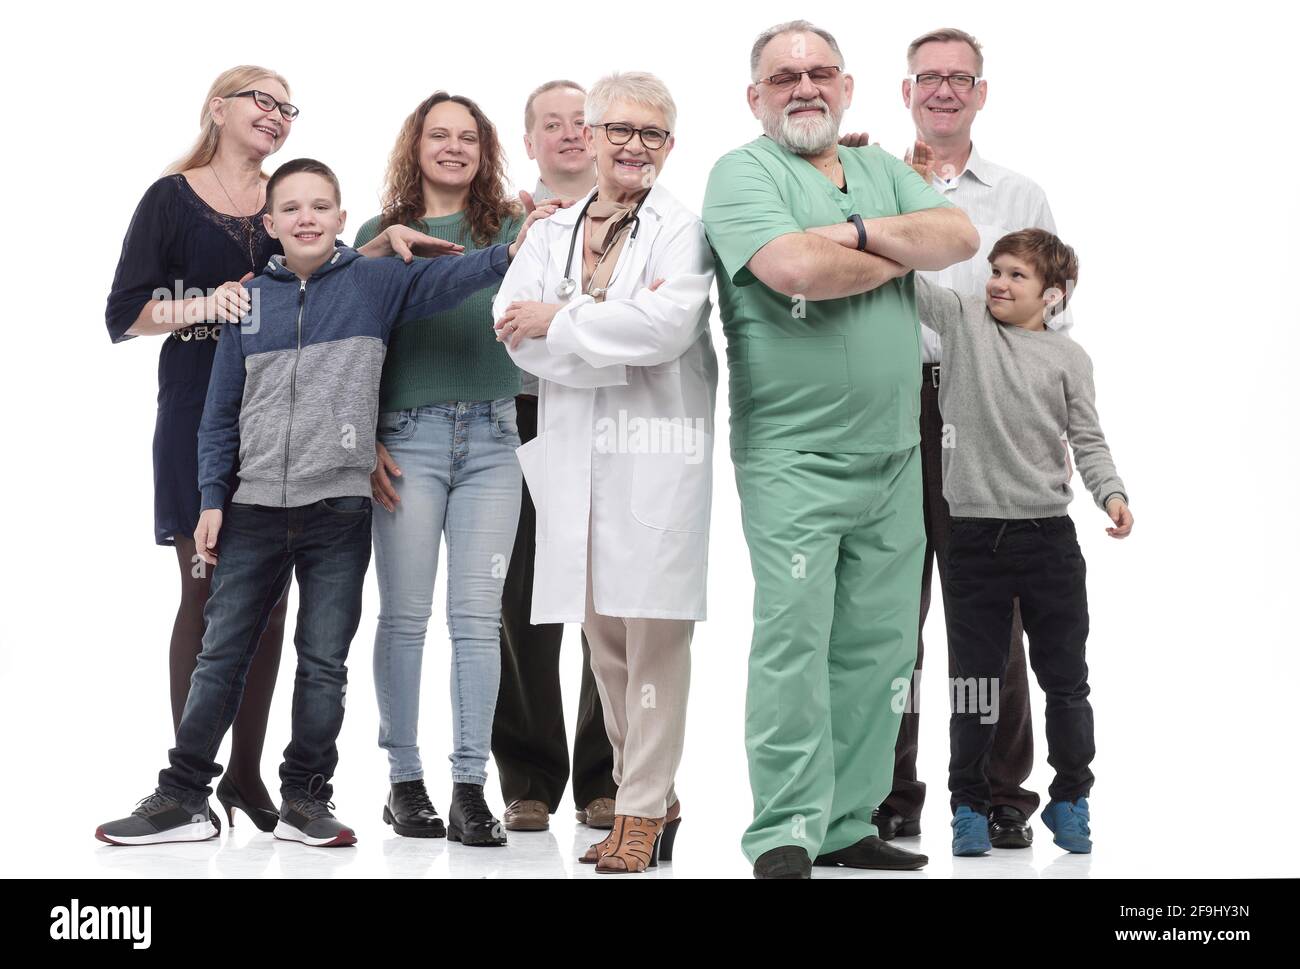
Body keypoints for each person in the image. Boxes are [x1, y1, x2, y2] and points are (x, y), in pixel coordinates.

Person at [95, 157, 547, 847]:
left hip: (337, 508)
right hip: (251, 508)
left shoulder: (373, 284)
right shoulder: (248, 301)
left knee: (324, 660)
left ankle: (306, 796)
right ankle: (183, 793)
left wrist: (510, 252)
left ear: (342, 219)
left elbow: (455, 275)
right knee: (222, 653)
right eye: (291, 208)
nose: (306, 217)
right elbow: (220, 413)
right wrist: (213, 498)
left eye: (320, 206)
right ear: (270, 225)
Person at [701, 20, 978, 878]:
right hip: (795, 456)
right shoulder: (740, 173)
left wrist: (846, 240)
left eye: (821, 71)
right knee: (794, 637)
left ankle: (849, 821)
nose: (804, 86)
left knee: (881, 645)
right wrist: (886, 243)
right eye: (784, 77)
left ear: (849, 87)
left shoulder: (881, 167)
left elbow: (958, 237)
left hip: (894, 453)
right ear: (756, 96)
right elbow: (791, 272)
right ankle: (785, 827)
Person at [493, 71, 717, 873]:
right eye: (618, 131)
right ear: (589, 136)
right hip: (574, 456)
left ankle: (640, 807)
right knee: (603, 638)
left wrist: (563, 323)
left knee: (652, 636)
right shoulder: (552, 232)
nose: (634, 147)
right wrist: (593, 334)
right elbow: (509, 330)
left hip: (657, 454)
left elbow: (665, 328)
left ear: (669, 146)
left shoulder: (680, 229)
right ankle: (647, 793)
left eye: (651, 135)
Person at [877, 27, 1073, 849]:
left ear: (982, 93)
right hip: (890, 398)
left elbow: (1050, 317)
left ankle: (999, 789)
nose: (946, 91)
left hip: (984, 407)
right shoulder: (874, 182)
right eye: (931, 78)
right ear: (907, 91)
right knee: (889, 610)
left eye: (962, 79)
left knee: (992, 608)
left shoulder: (1020, 194)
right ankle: (888, 791)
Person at [104, 65, 299, 833]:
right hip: (193, 414)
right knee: (207, 590)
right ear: (217, 108)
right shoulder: (169, 198)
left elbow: (331, 274)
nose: (278, 115)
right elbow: (121, 314)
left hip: (282, 417)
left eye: (289, 107)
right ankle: (189, 785)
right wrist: (202, 304)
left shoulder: (288, 197)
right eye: (263, 99)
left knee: (274, 602)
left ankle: (247, 779)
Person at [909, 229, 1133, 855]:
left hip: (1049, 541)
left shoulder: (1069, 359)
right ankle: (968, 805)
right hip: (975, 540)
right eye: (996, 271)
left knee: (1065, 680)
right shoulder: (962, 320)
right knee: (975, 684)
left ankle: (1071, 797)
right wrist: (903, 199)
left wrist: (1111, 493)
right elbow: (904, 275)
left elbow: (1087, 440)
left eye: (1017, 277)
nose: (999, 284)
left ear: (1053, 297)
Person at [355, 92, 538, 846]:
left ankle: (469, 784)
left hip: (495, 438)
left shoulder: (514, 229)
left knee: (476, 620)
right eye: (440, 135)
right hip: (410, 439)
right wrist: (363, 436)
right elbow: (349, 339)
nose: (455, 147)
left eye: (469, 137)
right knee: (403, 616)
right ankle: (404, 780)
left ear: (485, 150)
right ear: (417, 145)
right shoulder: (380, 235)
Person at [491, 79, 619, 834]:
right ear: (530, 139)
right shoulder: (506, 222)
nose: (571, 134)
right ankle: (530, 774)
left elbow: (651, 316)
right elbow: (503, 321)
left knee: (612, 590)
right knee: (525, 600)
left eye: (584, 122)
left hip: (611, 420)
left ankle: (605, 773)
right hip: (523, 415)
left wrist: (563, 319)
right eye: (553, 124)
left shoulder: (639, 219)